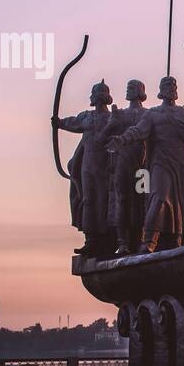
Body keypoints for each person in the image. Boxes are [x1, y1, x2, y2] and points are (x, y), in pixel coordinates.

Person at [106, 76, 184, 252]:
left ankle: (177, 241)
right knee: (159, 197)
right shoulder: (153, 114)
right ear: (161, 90)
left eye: (173, 86)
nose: (170, 89)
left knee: (182, 205)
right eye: (166, 86)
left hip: (183, 166)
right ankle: (149, 240)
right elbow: (138, 131)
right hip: (161, 163)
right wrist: (122, 139)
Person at [53, 80, 115, 257]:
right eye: (94, 94)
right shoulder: (86, 117)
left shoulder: (112, 118)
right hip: (87, 165)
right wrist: (59, 123)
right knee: (88, 200)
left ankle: (105, 239)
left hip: (105, 166)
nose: (95, 97)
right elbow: (72, 123)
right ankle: (90, 240)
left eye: (98, 94)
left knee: (103, 200)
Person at [107, 79, 148, 255]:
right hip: (122, 162)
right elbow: (105, 137)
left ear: (140, 92)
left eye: (132, 87)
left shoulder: (148, 114)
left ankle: (141, 239)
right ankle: (122, 242)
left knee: (143, 200)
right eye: (128, 87)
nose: (128, 90)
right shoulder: (120, 114)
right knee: (122, 199)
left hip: (143, 164)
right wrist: (112, 122)